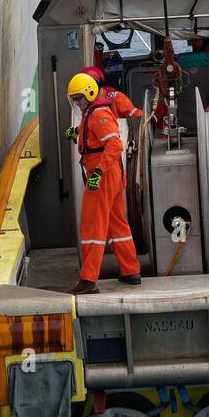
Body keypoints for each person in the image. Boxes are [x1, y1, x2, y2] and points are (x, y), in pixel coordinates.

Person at [64, 71, 142, 292]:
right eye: (74, 99)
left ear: (89, 93)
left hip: (103, 174)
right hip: (111, 173)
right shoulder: (94, 112)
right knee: (117, 224)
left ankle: (88, 279)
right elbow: (94, 132)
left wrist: (97, 173)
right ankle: (130, 271)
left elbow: (115, 145)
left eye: (78, 98)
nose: (77, 103)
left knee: (92, 224)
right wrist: (76, 131)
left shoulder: (97, 114)